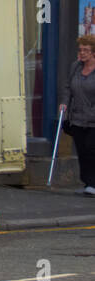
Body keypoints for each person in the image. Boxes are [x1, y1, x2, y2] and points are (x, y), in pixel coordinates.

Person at [59, 35, 95, 195]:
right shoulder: (75, 67)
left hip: (94, 119)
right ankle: (88, 183)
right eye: (80, 50)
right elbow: (68, 87)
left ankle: (93, 183)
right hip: (78, 118)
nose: (82, 53)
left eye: (86, 50)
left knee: (91, 148)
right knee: (81, 150)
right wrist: (64, 102)